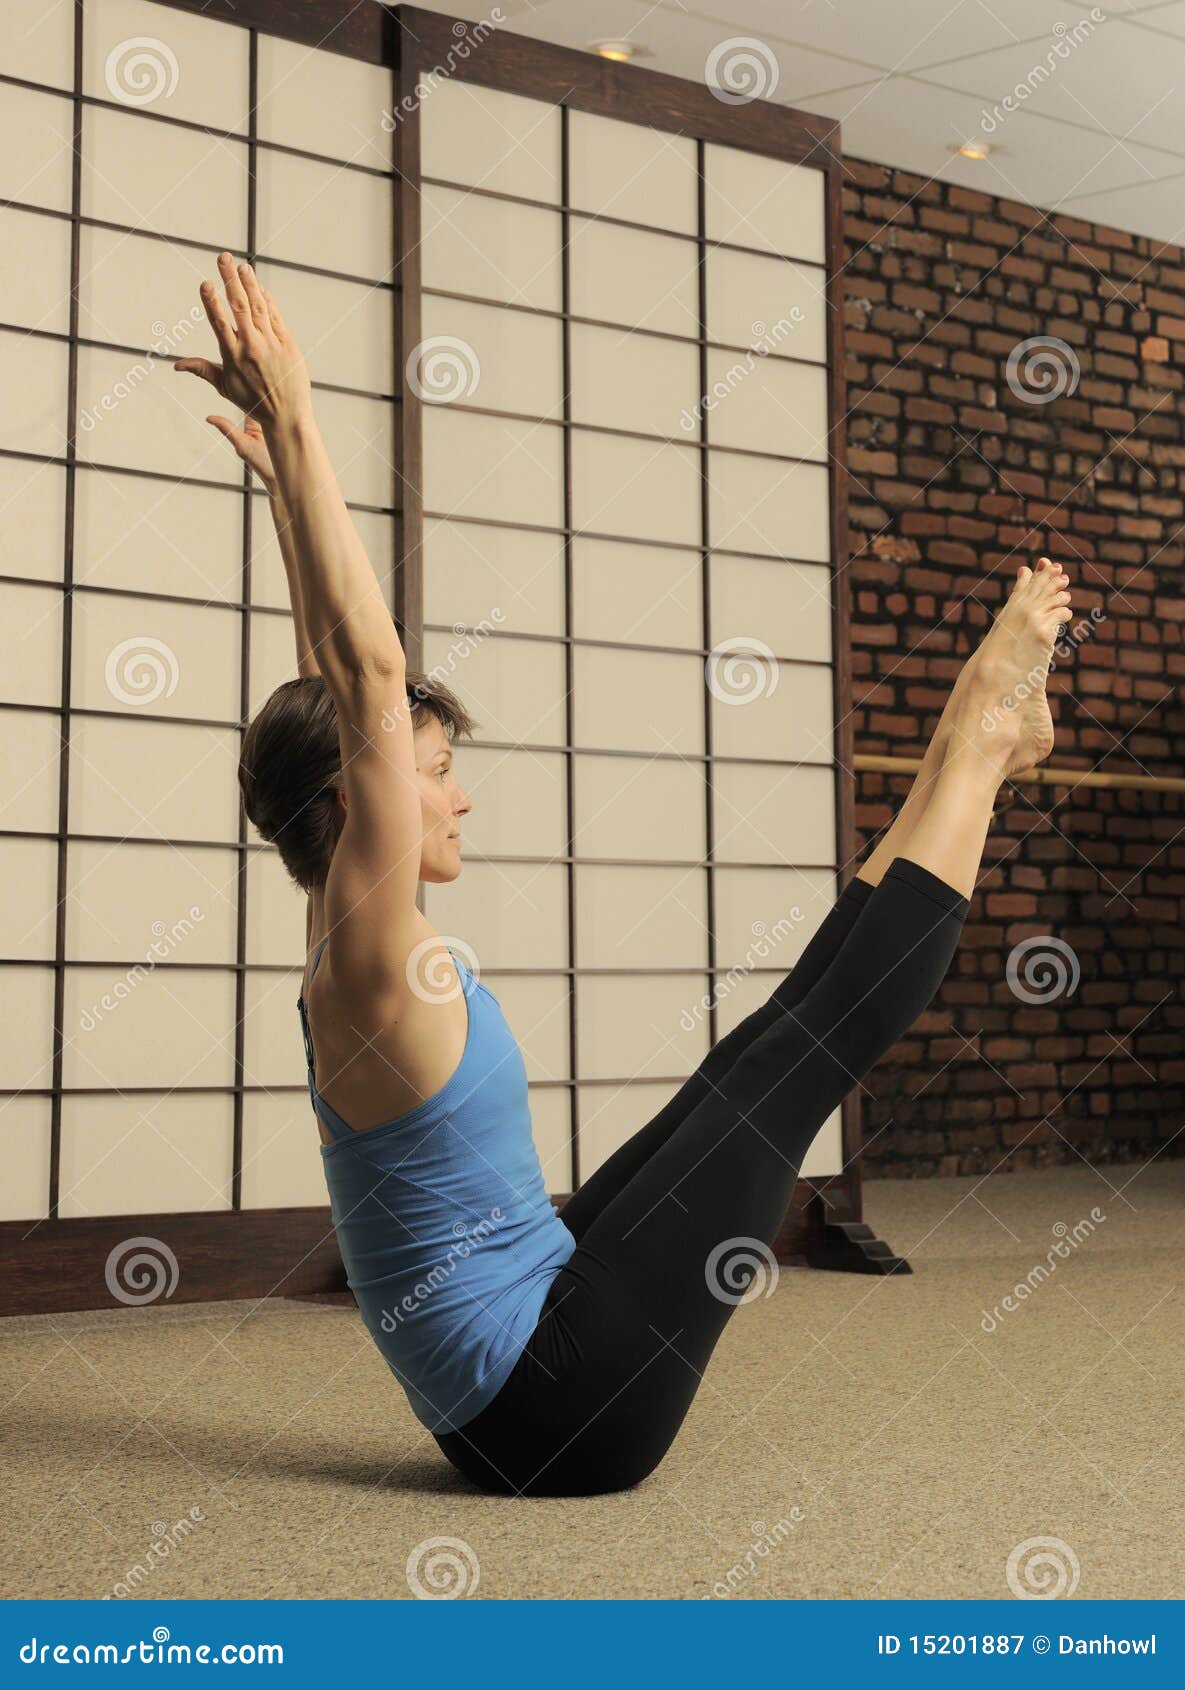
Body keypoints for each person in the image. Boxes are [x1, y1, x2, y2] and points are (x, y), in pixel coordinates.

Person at [177, 253, 1075, 1497]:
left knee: (758, 1045)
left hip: (534, 1339)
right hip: (559, 1409)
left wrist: (285, 490)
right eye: (432, 770)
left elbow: (344, 673)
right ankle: (978, 739)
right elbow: (364, 677)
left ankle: (969, 757)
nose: (455, 791)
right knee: (796, 1063)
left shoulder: (352, 943)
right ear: (359, 802)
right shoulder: (368, 940)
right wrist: (302, 415)